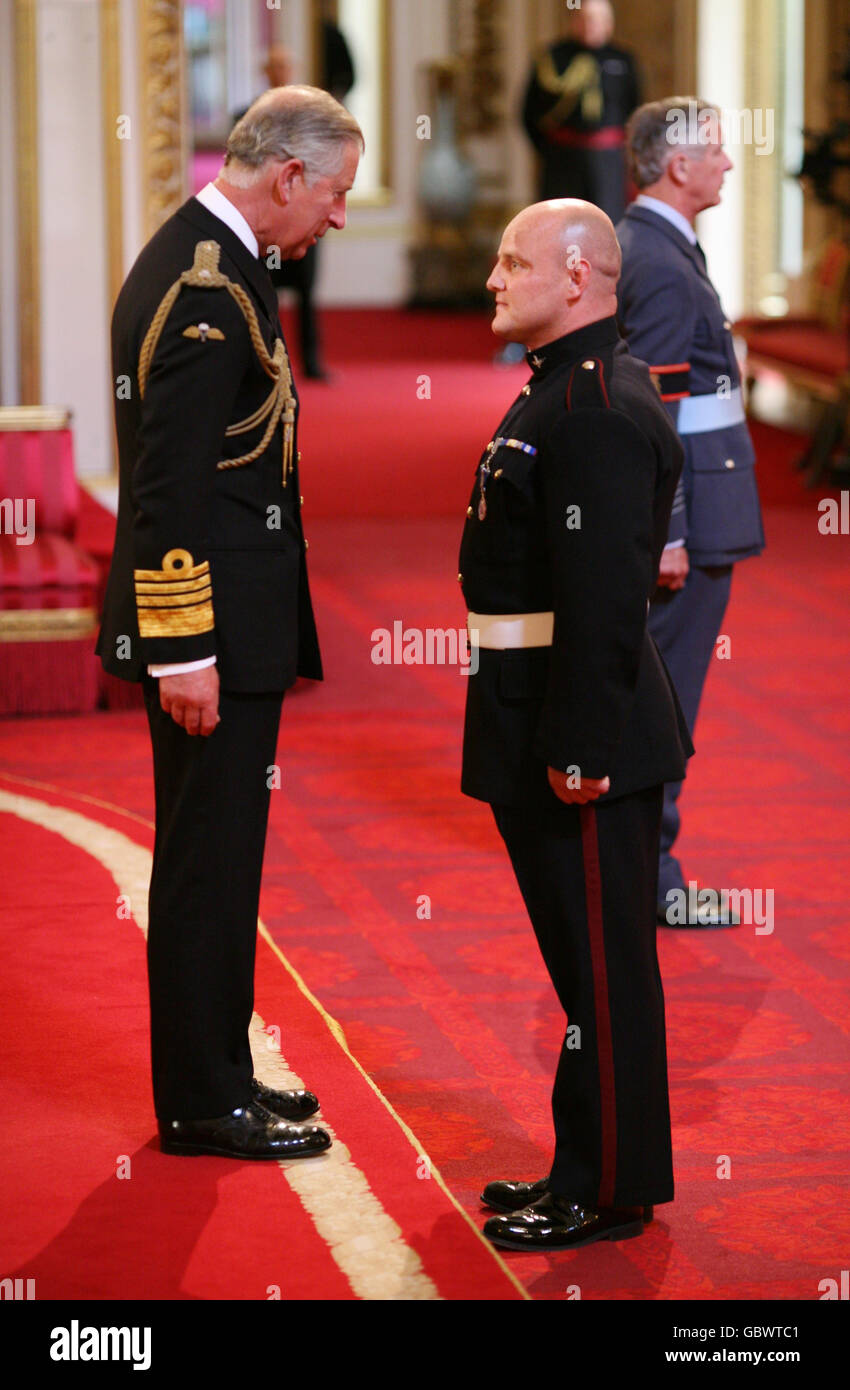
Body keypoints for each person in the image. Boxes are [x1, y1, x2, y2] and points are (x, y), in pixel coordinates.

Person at [97, 85, 363, 1159]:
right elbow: (170, 489)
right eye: (334, 193)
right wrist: (187, 648)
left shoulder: (218, 258)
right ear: (287, 176)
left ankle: (223, 1070)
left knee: (223, 857)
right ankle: (205, 1102)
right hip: (209, 625)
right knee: (209, 862)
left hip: (226, 617)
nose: (337, 217)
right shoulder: (209, 286)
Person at [459, 199, 692, 1250]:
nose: (494, 281)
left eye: (512, 264)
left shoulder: (589, 405)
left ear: (579, 274)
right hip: (539, 710)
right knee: (581, 969)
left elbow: (603, 600)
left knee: (600, 970)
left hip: (578, 729)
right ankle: (589, 1164)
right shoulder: (560, 388)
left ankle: (601, 1188)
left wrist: (581, 746)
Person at [616, 98, 765, 927]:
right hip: (694, 509)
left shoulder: (649, 245)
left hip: (703, 500)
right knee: (670, 701)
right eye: (715, 152)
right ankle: (654, 877)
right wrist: (669, 528)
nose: (728, 164)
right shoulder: (664, 263)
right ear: (676, 166)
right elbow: (658, 408)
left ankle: (647, 868)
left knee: (665, 692)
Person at [245, 36, 355, 379]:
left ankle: (312, 363)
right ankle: (267, 363)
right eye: (274, 66)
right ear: (265, 73)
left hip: (305, 217)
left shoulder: (313, 120)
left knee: (307, 294)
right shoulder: (248, 118)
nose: (280, 71)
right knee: (264, 292)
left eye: (285, 66)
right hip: (270, 221)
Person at [521, 0, 640, 223]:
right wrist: (550, 151)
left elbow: (633, 111)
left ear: (609, 23)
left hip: (609, 163)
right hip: (563, 160)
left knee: (607, 225)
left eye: (597, 19)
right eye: (584, 18)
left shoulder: (623, 59)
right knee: (559, 224)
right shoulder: (552, 57)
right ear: (574, 21)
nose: (590, 25)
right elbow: (529, 113)